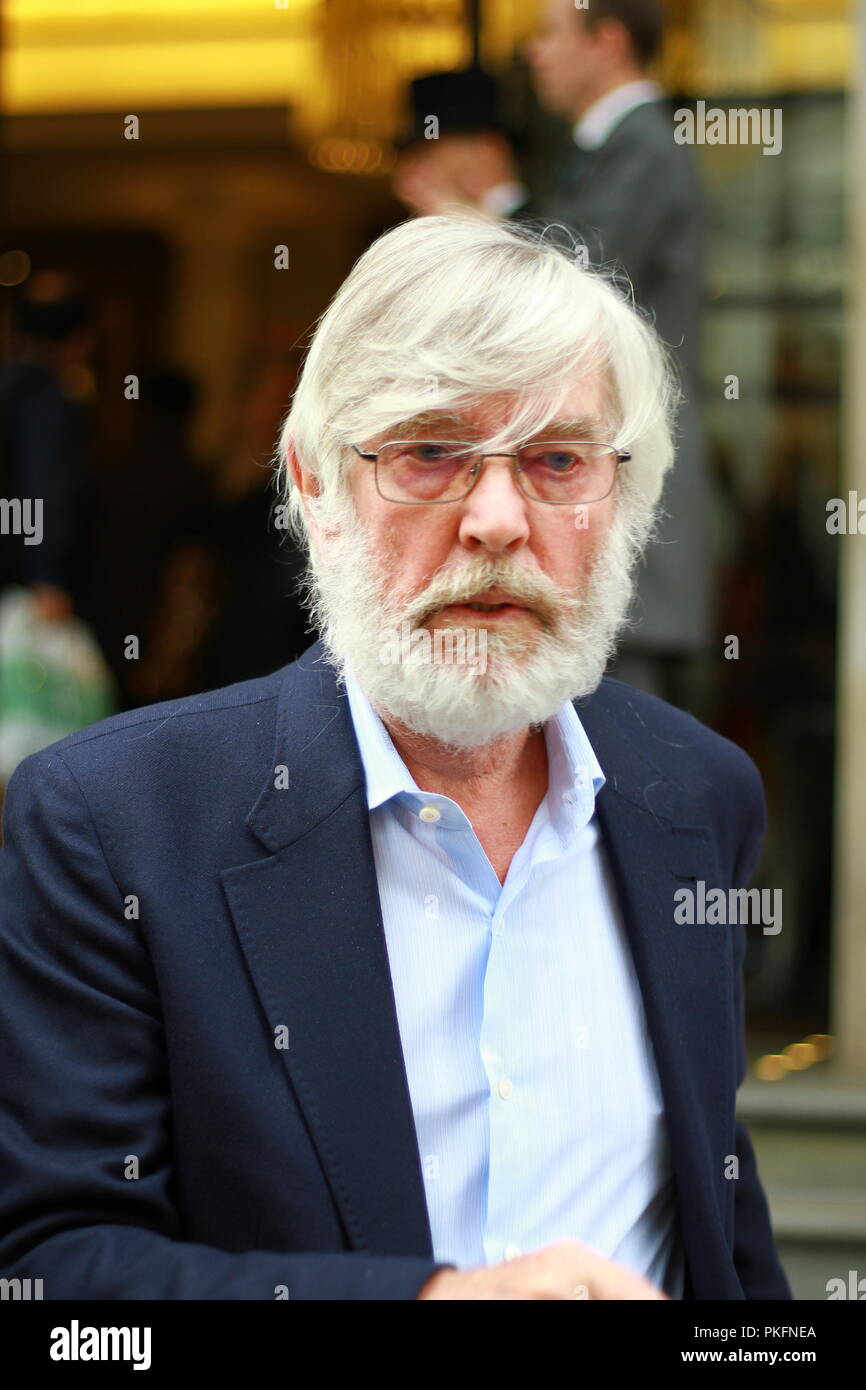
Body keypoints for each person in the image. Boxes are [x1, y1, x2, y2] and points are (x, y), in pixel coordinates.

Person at [0, 216, 789, 1300]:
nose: (498, 521)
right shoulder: (114, 825)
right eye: (429, 453)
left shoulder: (697, 795)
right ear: (314, 485)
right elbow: (54, 1276)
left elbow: (713, 1212)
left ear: (628, 502)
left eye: (558, 459)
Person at [395, 0, 710, 704]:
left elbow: (574, 281)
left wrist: (470, 216)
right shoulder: (612, 149)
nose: (534, 55)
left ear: (608, 40)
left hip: (624, 489)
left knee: (623, 760)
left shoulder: (646, 146)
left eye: (548, 35)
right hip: (599, 484)